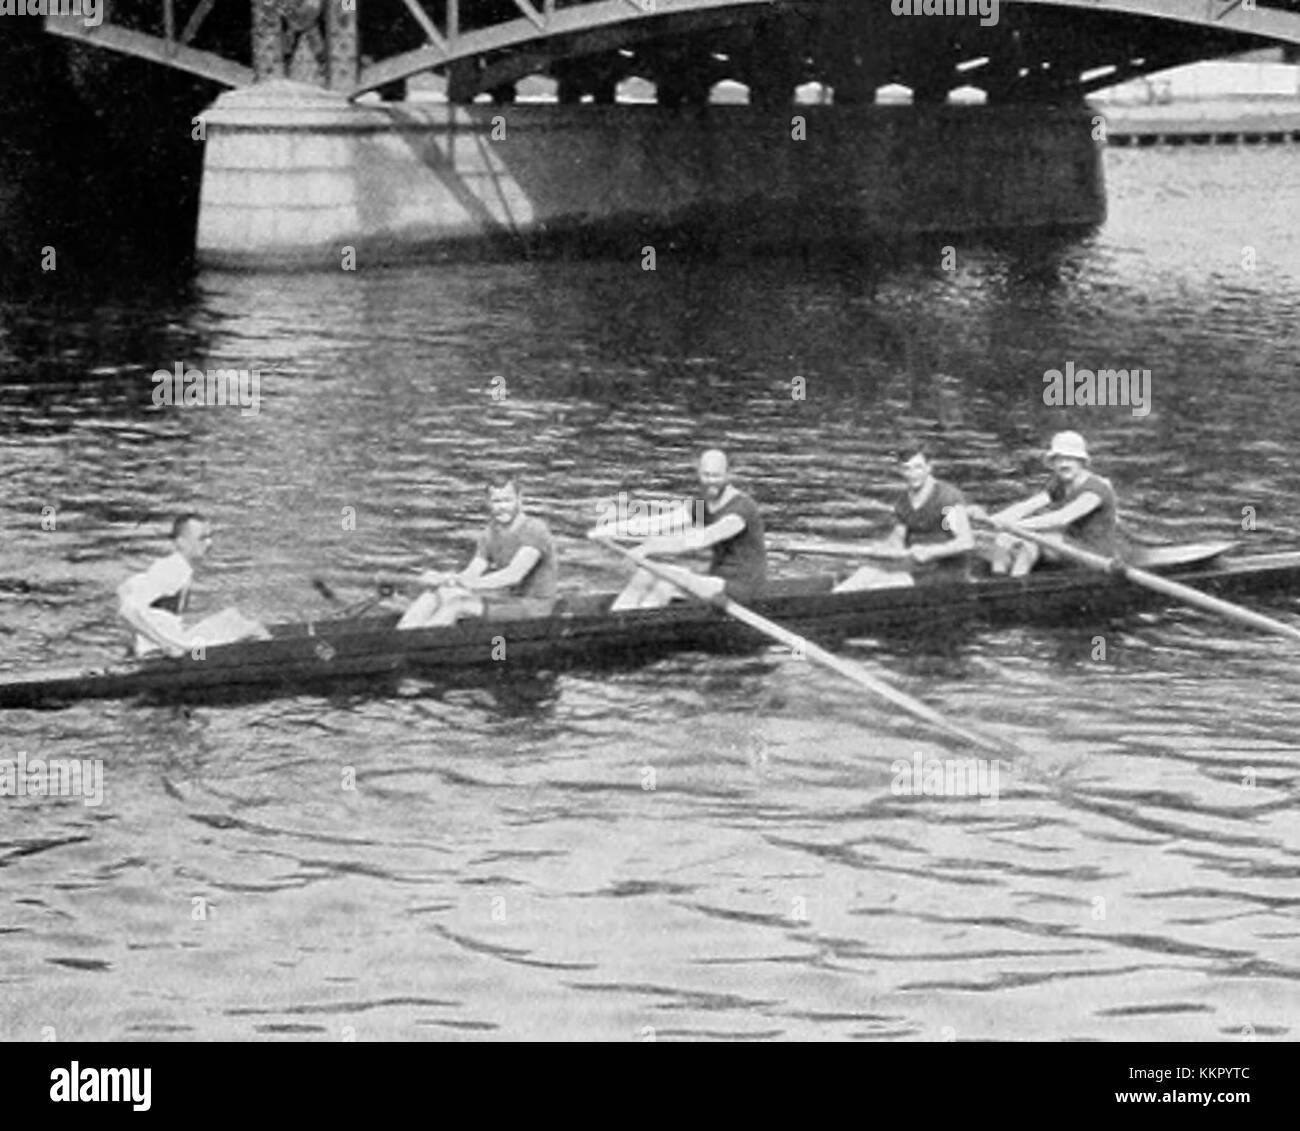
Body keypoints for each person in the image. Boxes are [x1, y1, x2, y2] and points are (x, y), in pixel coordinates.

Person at [608, 449, 766, 610]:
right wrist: (611, 530)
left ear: (728, 475)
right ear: (698, 473)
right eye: (706, 475)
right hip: (714, 580)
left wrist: (648, 548)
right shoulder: (705, 504)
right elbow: (664, 521)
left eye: (716, 476)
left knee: (666, 580)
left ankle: (635, 627)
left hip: (742, 587)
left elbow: (698, 540)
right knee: (644, 574)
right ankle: (617, 619)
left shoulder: (741, 510)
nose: (711, 481)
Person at [399, 476, 558, 629]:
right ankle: (400, 640)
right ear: (489, 502)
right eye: (497, 501)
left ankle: (419, 650)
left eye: (507, 500)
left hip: (535, 608)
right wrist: (445, 579)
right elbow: (472, 573)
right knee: (439, 593)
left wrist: (465, 584)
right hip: (507, 602)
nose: (502, 507)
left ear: (519, 499)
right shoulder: (489, 534)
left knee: (457, 604)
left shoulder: (535, 529)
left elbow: (513, 576)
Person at [968, 430, 1124, 575]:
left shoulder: (1096, 490)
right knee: (1003, 538)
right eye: (1059, 459)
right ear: (1053, 462)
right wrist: (991, 520)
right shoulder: (1060, 483)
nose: (1064, 464)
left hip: (1096, 556)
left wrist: (1014, 526)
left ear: (1081, 462)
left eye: (1070, 459)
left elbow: (1061, 518)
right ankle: (999, 580)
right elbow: (1027, 506)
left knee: (1030, 542)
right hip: (1068, 545)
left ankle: (1017, 586)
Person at [117, 514, 270, 657]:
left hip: (177, 644)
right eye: (202, 538)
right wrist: (166, 645)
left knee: (232, 617)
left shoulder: (177, 566)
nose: (210, 543)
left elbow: (124, 589)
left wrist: (135, 643)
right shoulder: (172, 570)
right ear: (181, 542)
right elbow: (127, 612)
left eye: (210, 537)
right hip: (173, 655)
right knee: (251, 629)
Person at [834, 449, 975, 591]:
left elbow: (965, 542)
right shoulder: (903, 502)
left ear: (929, 467)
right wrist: (881, 549)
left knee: (883, 586)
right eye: (907, 468)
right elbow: (897, 539)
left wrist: (931, 551)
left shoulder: (945, 498)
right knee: (866, 573)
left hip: (946, 571)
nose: (912, 474)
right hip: (915, 567)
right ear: (901, 471)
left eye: (918, 467)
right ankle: (835, 597)